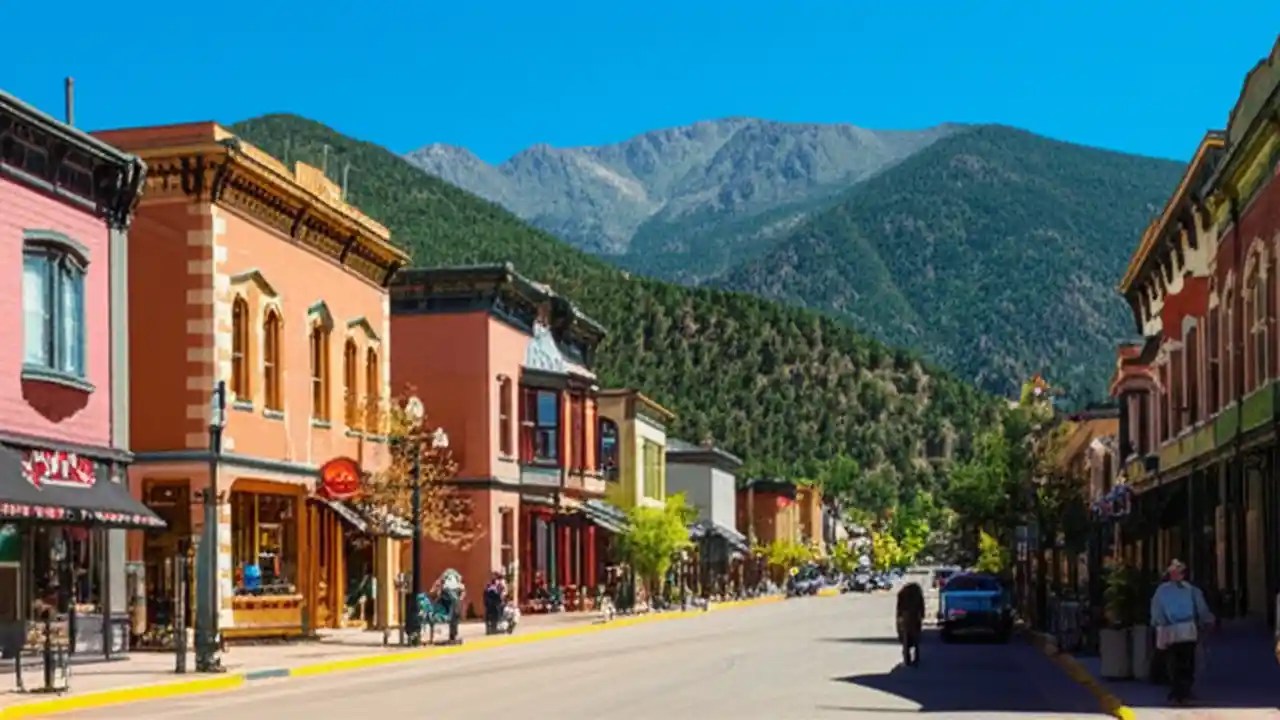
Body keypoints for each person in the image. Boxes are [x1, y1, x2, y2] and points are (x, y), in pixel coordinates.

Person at [1151, 559, 1214, 705]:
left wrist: (1206, 620)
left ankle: (1183, 691)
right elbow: (1156, 609)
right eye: (1172, 572)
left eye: (1178, 572)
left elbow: (1201, 608)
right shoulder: (1162, 590)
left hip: (1187, 629)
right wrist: (1158, 625)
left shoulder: (1192, 590)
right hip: (1171, 629)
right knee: (1174, 661)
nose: (1175, 575)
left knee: (1187, 661)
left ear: (1183, 574)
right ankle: (1178, 691)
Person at [896, 582, 925, 667]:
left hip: (906, 617)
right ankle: (916, 658)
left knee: (906, 639)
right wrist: (922, 615)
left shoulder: (902, 594)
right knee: (916, 639)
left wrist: (899, 618)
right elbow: (921, 606)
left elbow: (899, 608)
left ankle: (907, 659)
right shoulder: (917, 594)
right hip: (915, 617)